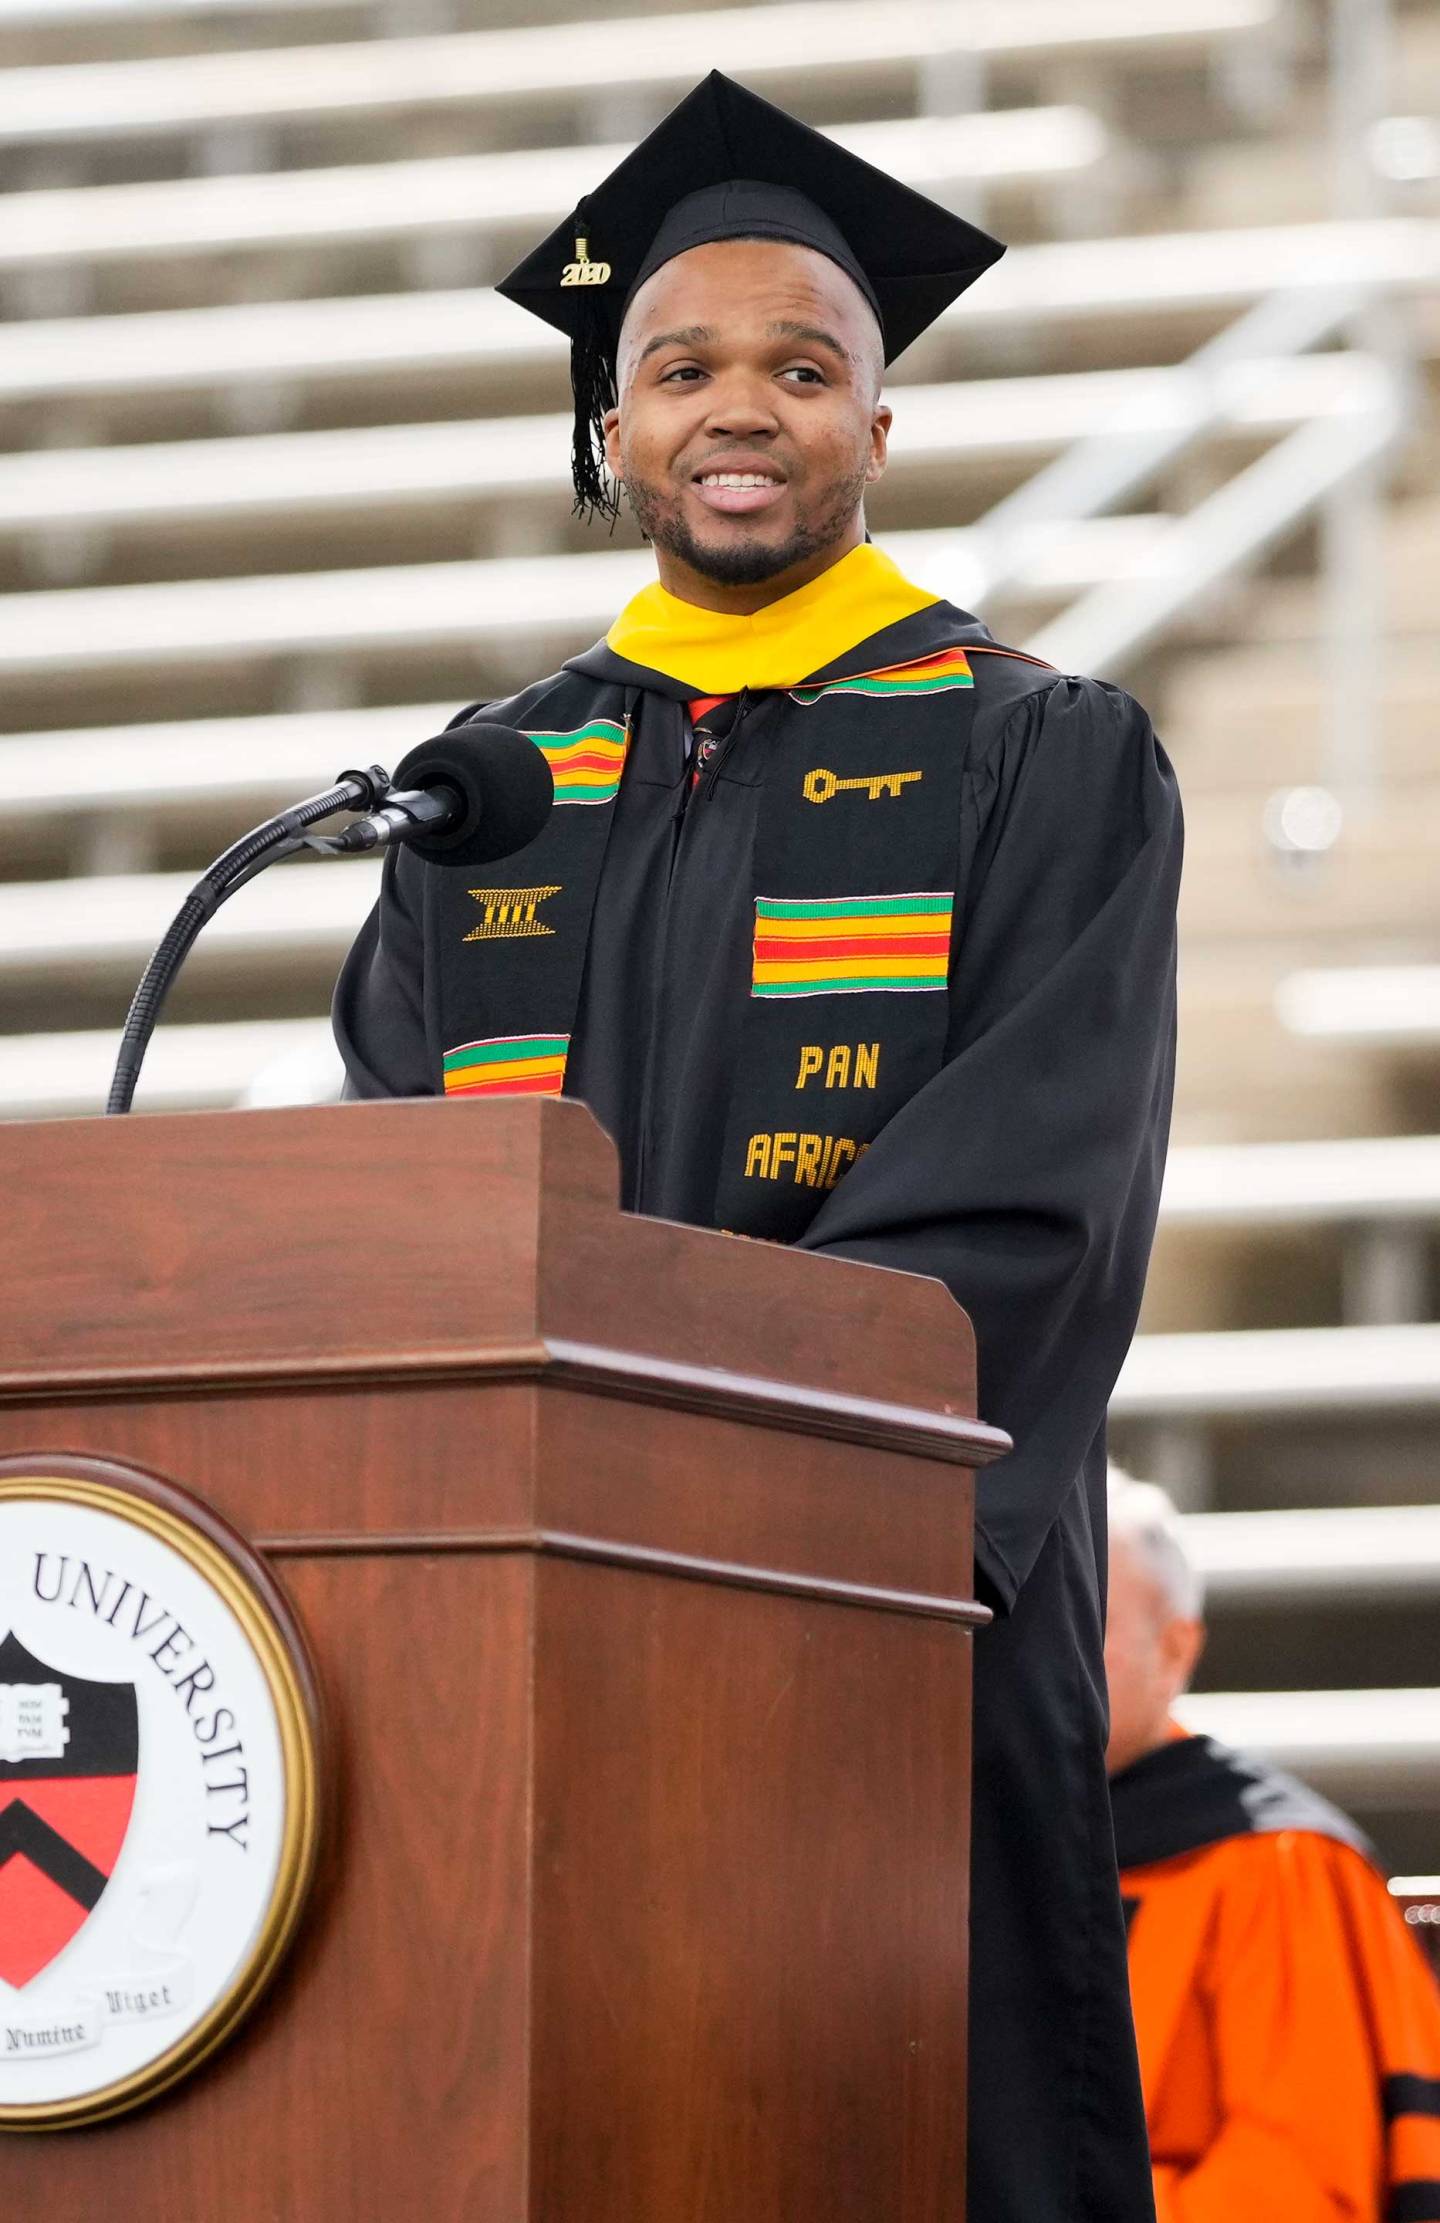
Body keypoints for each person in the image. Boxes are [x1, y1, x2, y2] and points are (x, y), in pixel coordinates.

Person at [335, 71, 1182, 2221]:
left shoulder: (1037, 757)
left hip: (880, 1611)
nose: (745, 407)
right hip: (519, 1623)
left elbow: (1031, 1198)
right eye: (684, 366)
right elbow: (394, 1195)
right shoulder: (478, 795)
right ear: (609, 430)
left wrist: (717, 1460)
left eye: (806, 367)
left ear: (877, 430)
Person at [1107, 1466, 1440, 2222]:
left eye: (1077, 1629)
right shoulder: (946, 1846)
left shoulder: (1276, 1865)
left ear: (1175, 1647)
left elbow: (1297, 2186)